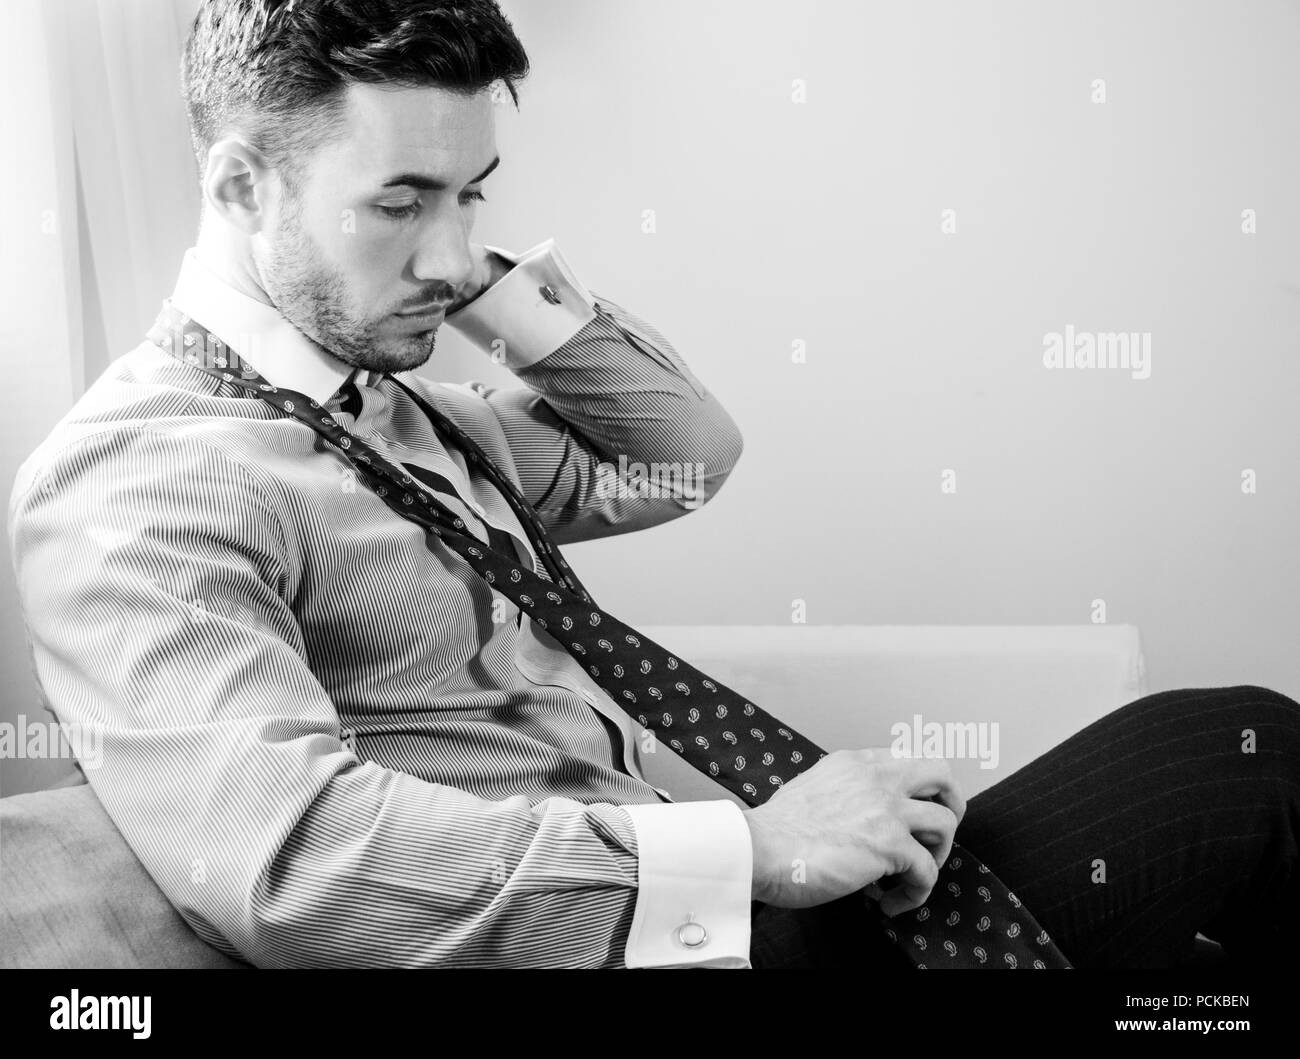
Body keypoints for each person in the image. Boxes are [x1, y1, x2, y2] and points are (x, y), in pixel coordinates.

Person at [9, 0, 1298, 970]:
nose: (455, 255)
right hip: (641, 940)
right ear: (240, 184)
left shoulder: (401, 412)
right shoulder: (136, 480)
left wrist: (476, 280)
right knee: (1236, 754)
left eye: (474, 196)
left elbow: (679, 452)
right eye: (400, 199)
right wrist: (759, 854)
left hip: (717, 917)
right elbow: (291, 861)